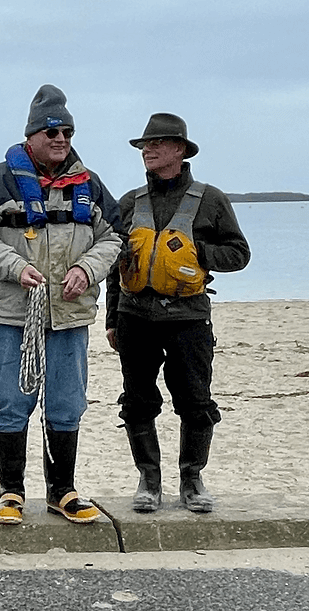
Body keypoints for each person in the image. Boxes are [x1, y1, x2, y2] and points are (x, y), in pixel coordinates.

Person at [0, 85, 122, 525]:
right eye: (51, 131)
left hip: (69, 316)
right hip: (13, 315)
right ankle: (11, 492)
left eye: (66, 131)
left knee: (67, 401)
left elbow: (114, 238)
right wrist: (14, 267)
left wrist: (87, 270)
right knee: (11, 400)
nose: (60, 138)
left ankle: (62, 491)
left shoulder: (89, 184)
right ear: (31, 136)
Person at [106, 113, 251, 513]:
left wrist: (199, 254)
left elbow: (239, 253)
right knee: (136, 402)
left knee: (195, 401)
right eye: (144, 146)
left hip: (189, 319)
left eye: (156, 144)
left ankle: (192, 479)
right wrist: (112, 318)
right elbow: (116, 263)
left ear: (180, 151)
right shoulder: (129, 203)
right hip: (135, 318)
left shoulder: (211, 200)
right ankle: (149, 480)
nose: (148, 151)